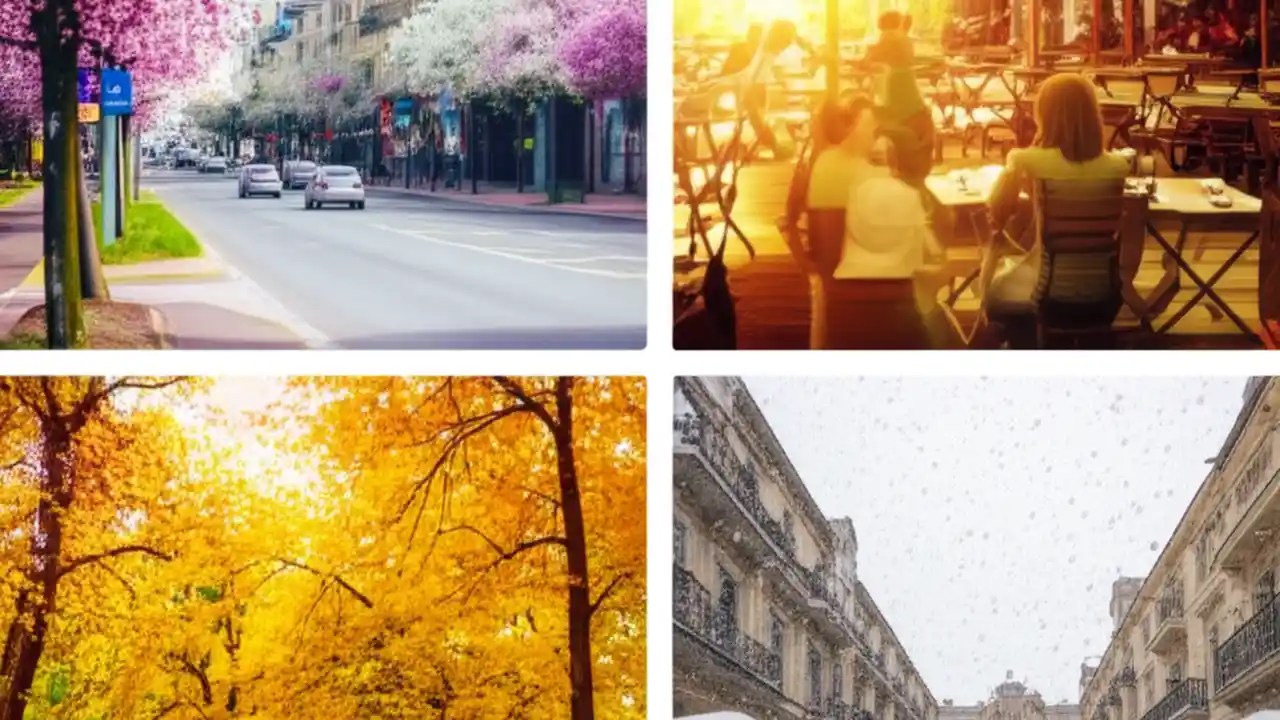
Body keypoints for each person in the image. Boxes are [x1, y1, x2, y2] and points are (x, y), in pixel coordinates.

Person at [784, 97, 949, 349]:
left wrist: (812, 273)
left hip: (836, 296)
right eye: (871, 129)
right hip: (883, 304)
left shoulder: (818, 164)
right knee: (936, 323)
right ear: (851, 129)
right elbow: (932, 240)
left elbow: (789, 221)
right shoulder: (862, 175)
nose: (874, 137)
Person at [979, 73, 1130, 340]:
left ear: (1044, 115)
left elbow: (997, 215)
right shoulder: (1118, 166)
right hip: (1105, 296)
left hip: (1047, 295)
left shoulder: (1025, 159)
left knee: (999, 287)